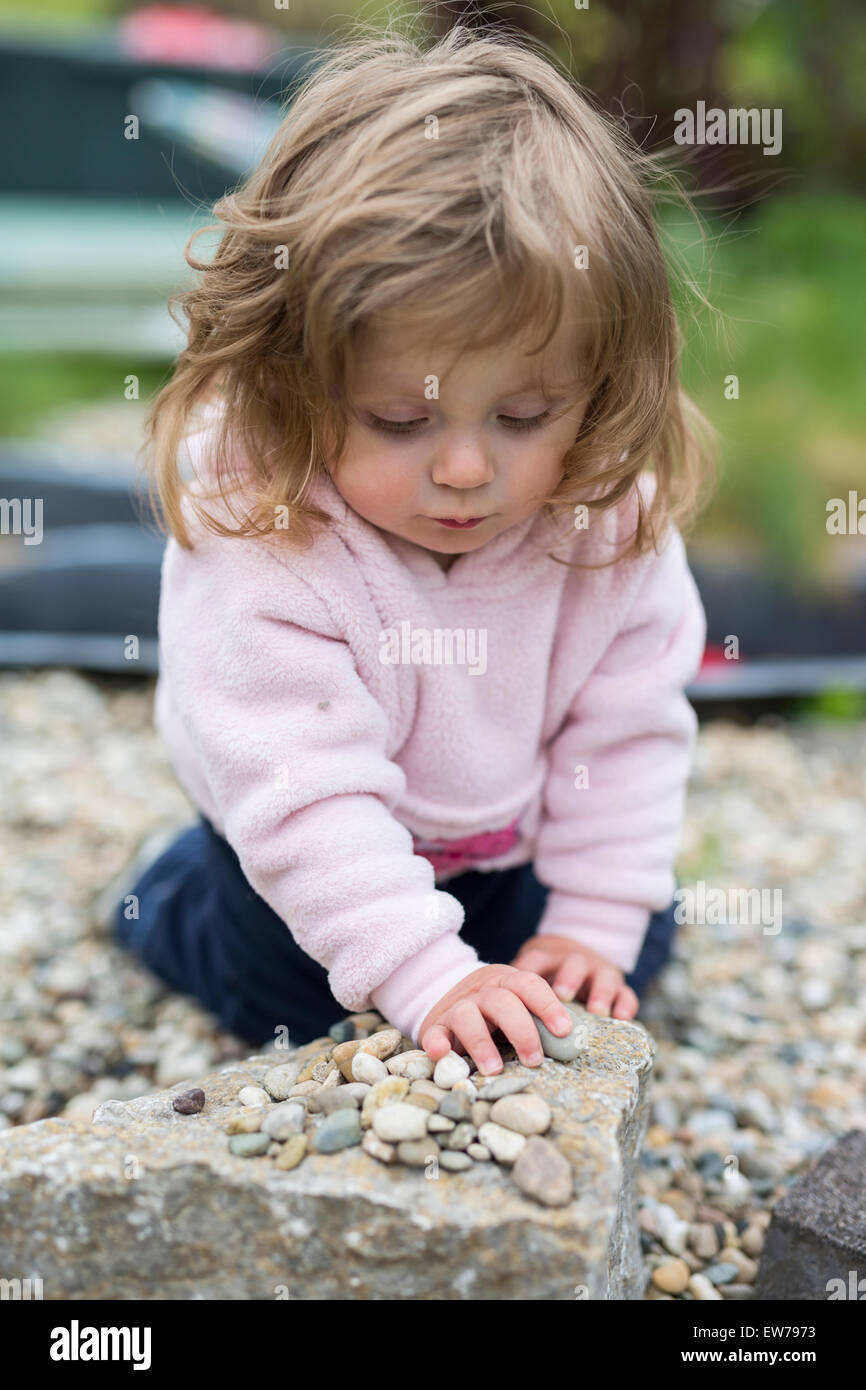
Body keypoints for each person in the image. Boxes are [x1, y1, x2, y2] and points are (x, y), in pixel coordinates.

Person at [114, 24, 713, 1077]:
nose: (467, 470)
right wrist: (425, 974)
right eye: (400, 420)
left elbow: (624, 739)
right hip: (305, 837)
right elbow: (305, 789)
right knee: (297, 994)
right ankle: (168, 901)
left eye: (525, 415)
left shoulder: (602, 518)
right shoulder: (263, 524)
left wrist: (588, 927)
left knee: (627, 944)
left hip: (503, 845)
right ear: (289, 379)